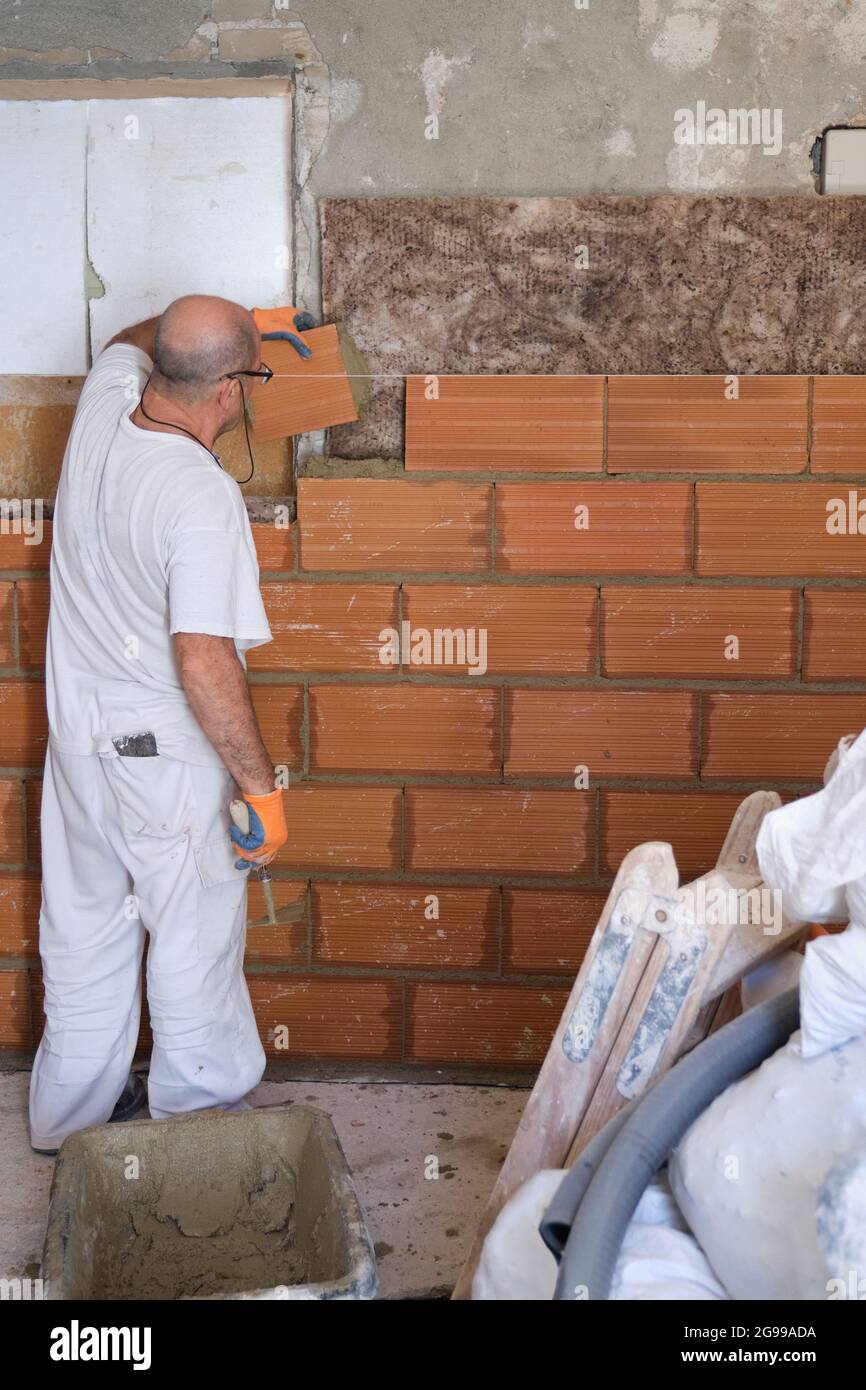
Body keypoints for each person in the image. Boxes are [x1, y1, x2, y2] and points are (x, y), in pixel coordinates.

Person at [29, 295, 289, 1155]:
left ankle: (71, 1131)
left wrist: (238, 328)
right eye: (250, 378)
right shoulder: (201, 497)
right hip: (163, 763)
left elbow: (119, 341)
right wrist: (262, 789)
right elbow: (204, 661)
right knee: (193, 946)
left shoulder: (102, 410)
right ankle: (197, 1135)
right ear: (229, 393)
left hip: (78, 750)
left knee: (85, 939)